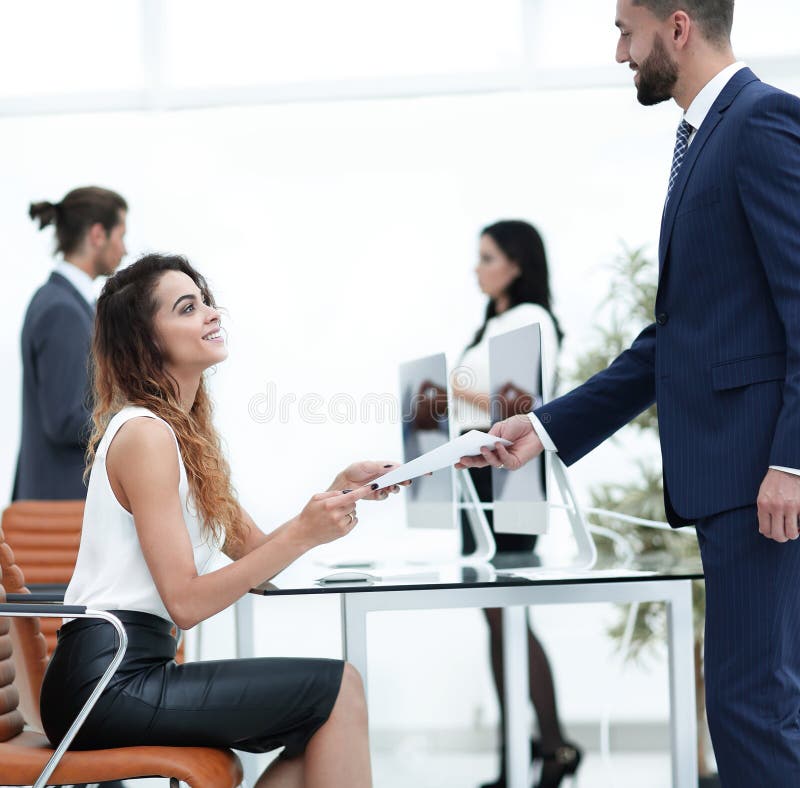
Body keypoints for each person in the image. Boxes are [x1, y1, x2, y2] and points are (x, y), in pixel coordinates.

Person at [459, 2, 800, 785]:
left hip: (760, 478)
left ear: (677, 27)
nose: (620, 53)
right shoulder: (703, 139)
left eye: (625, 31)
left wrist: (792, 461)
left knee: (751, 706)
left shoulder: (758, 123)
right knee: (752, 704)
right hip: (736, 480)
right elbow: (675, 341)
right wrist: (545, 428)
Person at [39, 253, 403, 788]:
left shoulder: (181, 438)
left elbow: (256, 555)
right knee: (337, 690)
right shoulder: (145, 436)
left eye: (205, 301)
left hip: (129, 671)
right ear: (146, 341)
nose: (212, 313)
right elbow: (186, 604)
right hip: (105, 683)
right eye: (187, 308)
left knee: (327, 704)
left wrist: (336, 494)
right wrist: (305, 532)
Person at [450, 221, 579, 788]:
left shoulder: (533, 319)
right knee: (495, 614)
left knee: (509, 612)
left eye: (487, 257)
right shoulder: (494, 324)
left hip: (510, 474)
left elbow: (523, 401)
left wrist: (451, 391)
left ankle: (553, 747)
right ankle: (520, 754)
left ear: (517, 264)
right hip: (479, 476)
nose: (476, 269)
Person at [13, 186, 128, 500]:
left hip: (57, 498)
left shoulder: (66, 304)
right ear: (97, 235)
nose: (125, 248)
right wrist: (134, 420)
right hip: (61, 505)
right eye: (121, 235)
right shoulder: (62, 310)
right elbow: (64, 419)